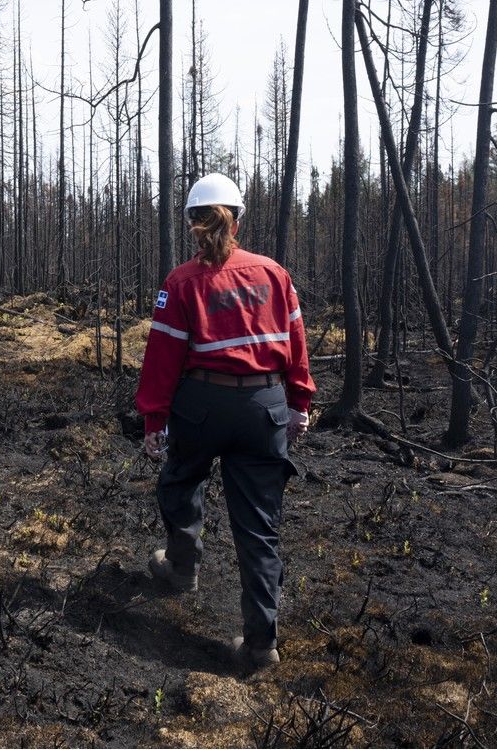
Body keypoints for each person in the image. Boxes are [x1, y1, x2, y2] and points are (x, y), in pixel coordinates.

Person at [135, 173, 316, 670]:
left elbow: (163, 359)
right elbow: (296, 346)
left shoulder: (181, 282)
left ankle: (181, 566)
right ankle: (260, 645)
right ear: (239, 217)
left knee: (180, 476)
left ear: (194, 221)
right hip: (265, 408)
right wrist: (299, 403)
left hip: (202, 406)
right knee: (259, 527)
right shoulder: (274, 274)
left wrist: (155, 420)